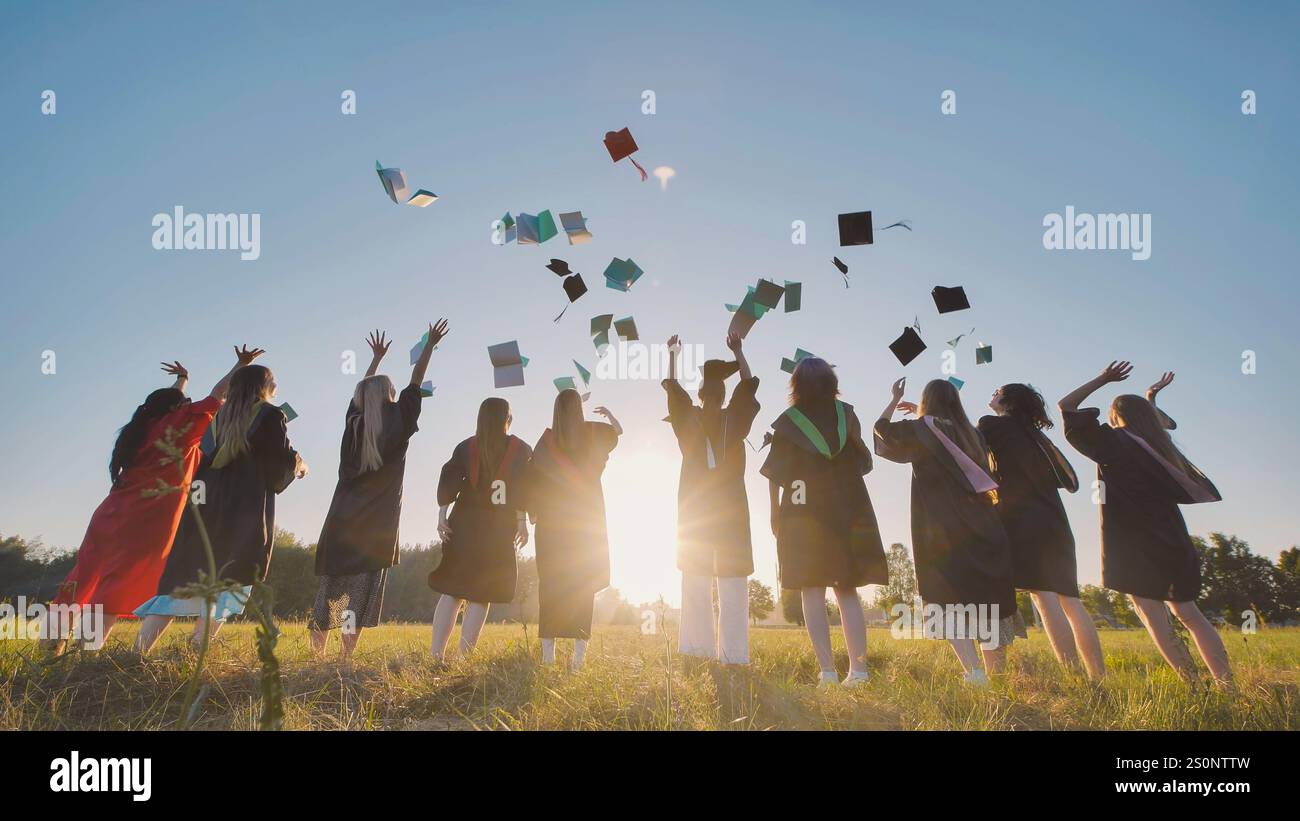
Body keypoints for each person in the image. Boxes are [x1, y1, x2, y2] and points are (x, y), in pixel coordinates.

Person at [48, 348, 259, 652]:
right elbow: (216, 395)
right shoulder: (182, 424)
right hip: (146, 520)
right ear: (178, 409)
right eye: (185, 402)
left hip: (109, 515)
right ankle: (86, 655)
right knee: (115, 585)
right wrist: (240, 365)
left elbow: (164, 401)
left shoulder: (140, 428)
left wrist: (182, 381)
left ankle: (52, 645)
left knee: (82, 577)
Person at [1058, 363, 1229, 684]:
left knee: (1154, 618)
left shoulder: (1112, 444)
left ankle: (1191, 683)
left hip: (1131, 544)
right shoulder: (1161, 449)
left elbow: (1066, 406)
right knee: (1190, 614)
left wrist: (1103, 378)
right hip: (1172, 537)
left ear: (1115, 417)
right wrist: (1151, 396)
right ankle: (1227, 684)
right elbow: (1150, 425)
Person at [136, 361, 305, 652]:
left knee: (180, 580)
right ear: (264, 387)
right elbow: (277, 473)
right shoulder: (271, 415)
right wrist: (298, 464)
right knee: (231, 581)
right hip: (243, 510)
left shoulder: (214, 419)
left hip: (203, 509)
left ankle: (137, 653)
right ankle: (194, 655)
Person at [307, 323, 448, 660]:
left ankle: (317, 661)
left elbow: (362, 395)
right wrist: (429, 345)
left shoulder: (353, 425)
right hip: (377, 526)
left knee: (330, 594)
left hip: (342, 522)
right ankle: (344, 662)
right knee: (357, 595)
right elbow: (416, 381)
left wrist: (375, 361)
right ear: (389, 397)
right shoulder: (398, 423)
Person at [874, 377, 1017, 686]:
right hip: (983, 524)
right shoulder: (974, 434)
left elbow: (882, 431)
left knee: (946, 599)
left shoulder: (921, 429)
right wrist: (921, 418)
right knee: (986, 598)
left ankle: (974, 672)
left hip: (941, 527)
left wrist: (894, 398)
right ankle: (996, 677)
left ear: (927, 402)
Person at [760, 357, 886, 687]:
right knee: (846, 589)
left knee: (811, 589)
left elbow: (775, 473)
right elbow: (862, 461)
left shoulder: (789, 423)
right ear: (832, 382)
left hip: (803, 514)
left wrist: (774, 512)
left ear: (796, 386)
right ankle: (859, 672)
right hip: (846, 510)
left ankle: (827, 672)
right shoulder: (847, 415)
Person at [979, 383, 1104, 680]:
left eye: (996, 391)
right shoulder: (1036, 435)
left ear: (1006, 400)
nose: (992, 394)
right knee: (1070, 601)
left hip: (1023, 519)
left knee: (1044, 597)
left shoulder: (991, 425)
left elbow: (965, 446)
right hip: (1056, 519)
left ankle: (1073, 676)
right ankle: (1097, 678)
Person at [662, 332, 760, 665]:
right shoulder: (735, 420)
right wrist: (739, 352)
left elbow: (674, 389)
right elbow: (748, 388)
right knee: (732, 584)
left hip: (695, 510)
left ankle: (696, 650)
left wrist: (673, 353)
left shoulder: (688, 418)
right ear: (723, 393)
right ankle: (734, 656)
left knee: (695, 580)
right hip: (731, 509)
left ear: (701, 392)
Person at [429, 398, 532, 660]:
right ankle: (463, 658)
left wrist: (442, 515)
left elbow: (449, 479)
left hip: (464, 523)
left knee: (452, 590)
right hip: (497, 528)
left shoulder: (466, 447)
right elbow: (522, 488)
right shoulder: (520, 450)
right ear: (507, 419)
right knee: (480, 594)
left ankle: (436, 655)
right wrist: (522, 522)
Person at [526, 390, 621, 670]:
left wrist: (530, 515)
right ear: (579, 410)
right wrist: (609, 415)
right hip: (584, 524)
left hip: (553, 526)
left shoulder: (545, 444)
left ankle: (548, 657)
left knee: (551, 588)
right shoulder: (593, 434)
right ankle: (578, 660)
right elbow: (618, 432)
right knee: (582, 587)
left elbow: (532, 484)